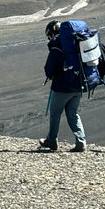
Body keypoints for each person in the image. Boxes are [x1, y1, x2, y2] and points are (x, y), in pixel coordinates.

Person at [39, 20, 86, 153]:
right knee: (73, 114)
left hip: (62, 87)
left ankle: (52, 141)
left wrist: (51, 74)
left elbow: (49, 69)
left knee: (55, 113)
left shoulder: (56, 46)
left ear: (52, 32)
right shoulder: (74, 42)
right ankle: (81, 142)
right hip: (78, 85)